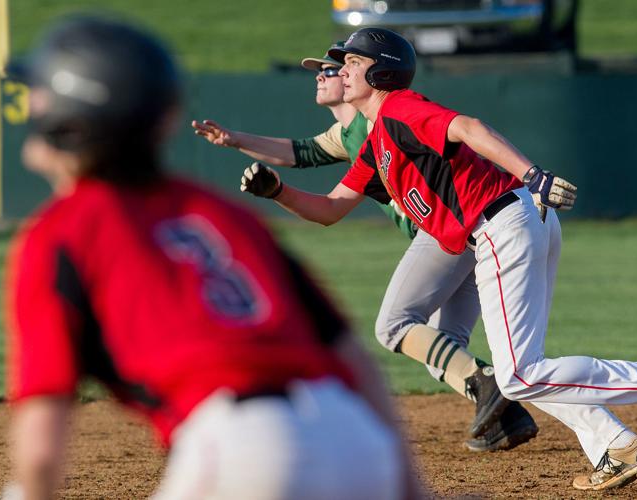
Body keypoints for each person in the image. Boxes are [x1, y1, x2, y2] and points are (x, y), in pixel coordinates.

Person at [239, 27, 637, 491]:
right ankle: (615, 446)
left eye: (354, 62)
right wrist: (277, 192)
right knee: (523, 367)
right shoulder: (376, 140)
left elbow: (468, 128)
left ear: (381, 71)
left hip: (503, 223)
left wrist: (533, 174)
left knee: (519, 374)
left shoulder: (399, 107)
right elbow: (330, 209)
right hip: (513, 223)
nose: (343, 69)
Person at [2, 16, 422, 500]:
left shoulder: (60, 232)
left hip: (240, 449)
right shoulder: (221, 213)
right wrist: (408, 485)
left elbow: (40, 444)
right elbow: (348, 353)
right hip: (354, 437)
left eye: (38, 94)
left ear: (65, 118)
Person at [192, 44, 539, 452]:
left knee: (398, 326)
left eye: (333, 68)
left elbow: (463, 128)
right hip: (461, 235)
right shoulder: (353, 134)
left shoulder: (386, 114)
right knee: (443, 351)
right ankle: (510, 415)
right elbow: (308, 169)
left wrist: (532, 174)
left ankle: (493, 387)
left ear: (362, 76)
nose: (322, 75)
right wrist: (240, 147)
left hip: (449, 233)